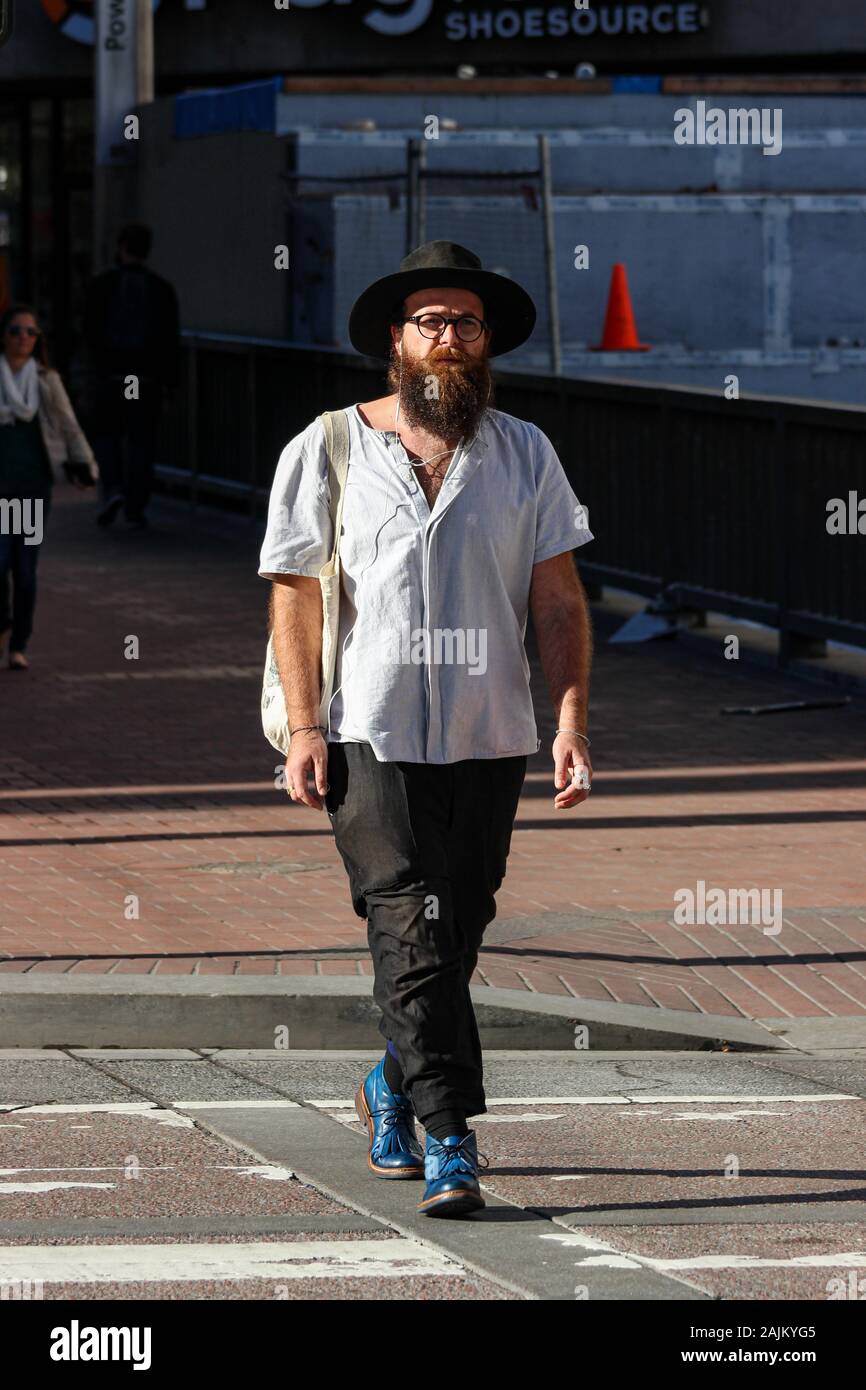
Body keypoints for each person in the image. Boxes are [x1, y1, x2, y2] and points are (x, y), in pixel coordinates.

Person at [259, 241, 595, 1219]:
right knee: (407, 923)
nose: (449, 338)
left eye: (466, 323)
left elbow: (560, 602)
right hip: (369, 729)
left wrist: (569, 715)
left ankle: (389, 1081)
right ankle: (450, 1136)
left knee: (458, 929)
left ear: (485, 343)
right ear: (396, 344)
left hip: (491, 733)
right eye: (431, 322)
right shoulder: (327, 447)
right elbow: (294, 596)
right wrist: (303, 728)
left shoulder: (523, 452)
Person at [0, 303, 98, 670]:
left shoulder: (44, 378)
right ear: (3, 336)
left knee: (24, 571)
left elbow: (68, 423)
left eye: (31, 332)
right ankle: (3, 624)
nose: (24, 338)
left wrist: (85, 465)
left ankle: (18, 644)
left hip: (30, 489)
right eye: (15, 331)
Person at [84, 223, 180, 530]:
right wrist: (170, 383)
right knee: (141, 440)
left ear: (121, 245)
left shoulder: (103, 285)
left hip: (112, 373)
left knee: (107, 434)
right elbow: (170, 339)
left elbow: (89, 332)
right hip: (146, 377)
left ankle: (112, 488)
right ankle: (136, 505)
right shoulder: (161, 289)